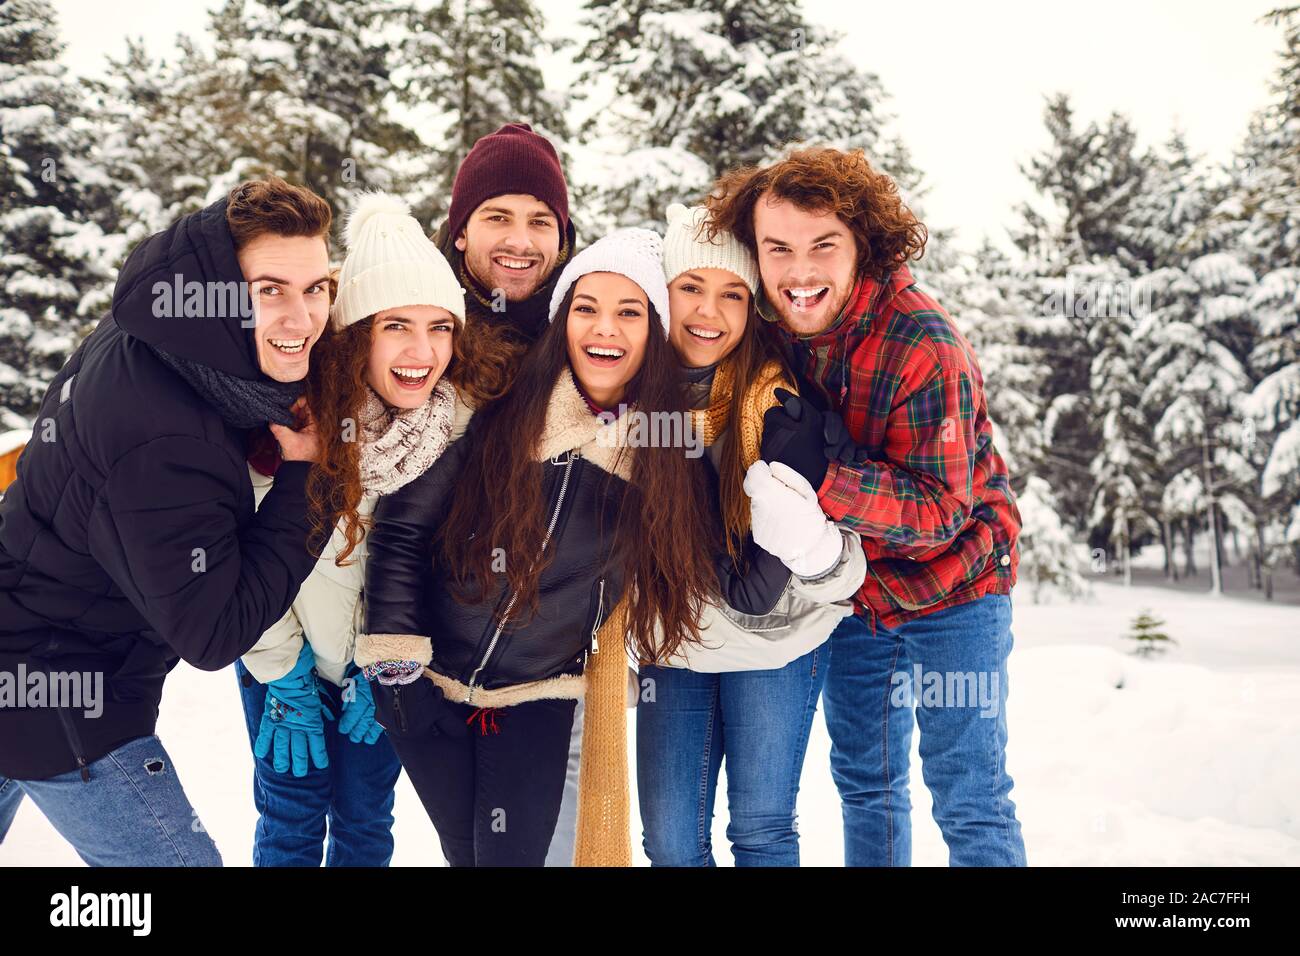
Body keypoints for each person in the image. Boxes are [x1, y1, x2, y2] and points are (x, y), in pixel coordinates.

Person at [706, 145, 1027, 867]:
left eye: (824, 246)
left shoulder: (923, 343)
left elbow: (942, 513)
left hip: (958, 589)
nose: (800, 271)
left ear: (863, 248)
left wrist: (827, 475)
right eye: (777, 248)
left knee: (968, 791)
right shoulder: (773, 333)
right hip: (854, 594)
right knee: (867, 783)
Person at [356, 228, 718, 866]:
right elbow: (403, 524)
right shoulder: (500, 407)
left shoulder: (665, 453)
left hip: (537, 696)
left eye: (629, 312)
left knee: (507, 857)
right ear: (562, 319)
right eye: (586, 308)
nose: (604, 329)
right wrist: (395, 662)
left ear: (654, 332)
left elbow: (714, 571)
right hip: (427, 675)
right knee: (464, 853)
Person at [0, 177, 331, 865]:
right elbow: (214, 631)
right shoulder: (168, 438)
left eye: (316, 288)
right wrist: (308, 480)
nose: (301, 318)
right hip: (60, 690)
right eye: (270, 290)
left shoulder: (156, 326)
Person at [233, 192, 468, 866]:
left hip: (381, 675)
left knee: (366, 825)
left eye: (440, 327)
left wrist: (393, 663)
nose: (423, 351)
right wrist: (282, 671)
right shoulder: (294, 421)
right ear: (357, 330)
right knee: (290, 822)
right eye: (397, 325)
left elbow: (453, 574)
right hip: (282, 664)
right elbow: (238, 548)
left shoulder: (458, 433)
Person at [636, 203, 866, 866]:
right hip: (675, 646)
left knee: (761, 831)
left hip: (778, 644)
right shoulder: (627, 392)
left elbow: (828, 569)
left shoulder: (784, 402)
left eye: (732, 294)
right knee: (672, 844)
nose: (710, 312)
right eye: (691, 289)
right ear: (661, 296)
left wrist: (813, 548)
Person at [428, 121, 585, 865]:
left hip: (551, 659)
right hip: (420, 650)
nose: (519, 239)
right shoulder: (420, 329)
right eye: (497, 216)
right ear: (459, 232)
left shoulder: (583, 339)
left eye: (540, 221)